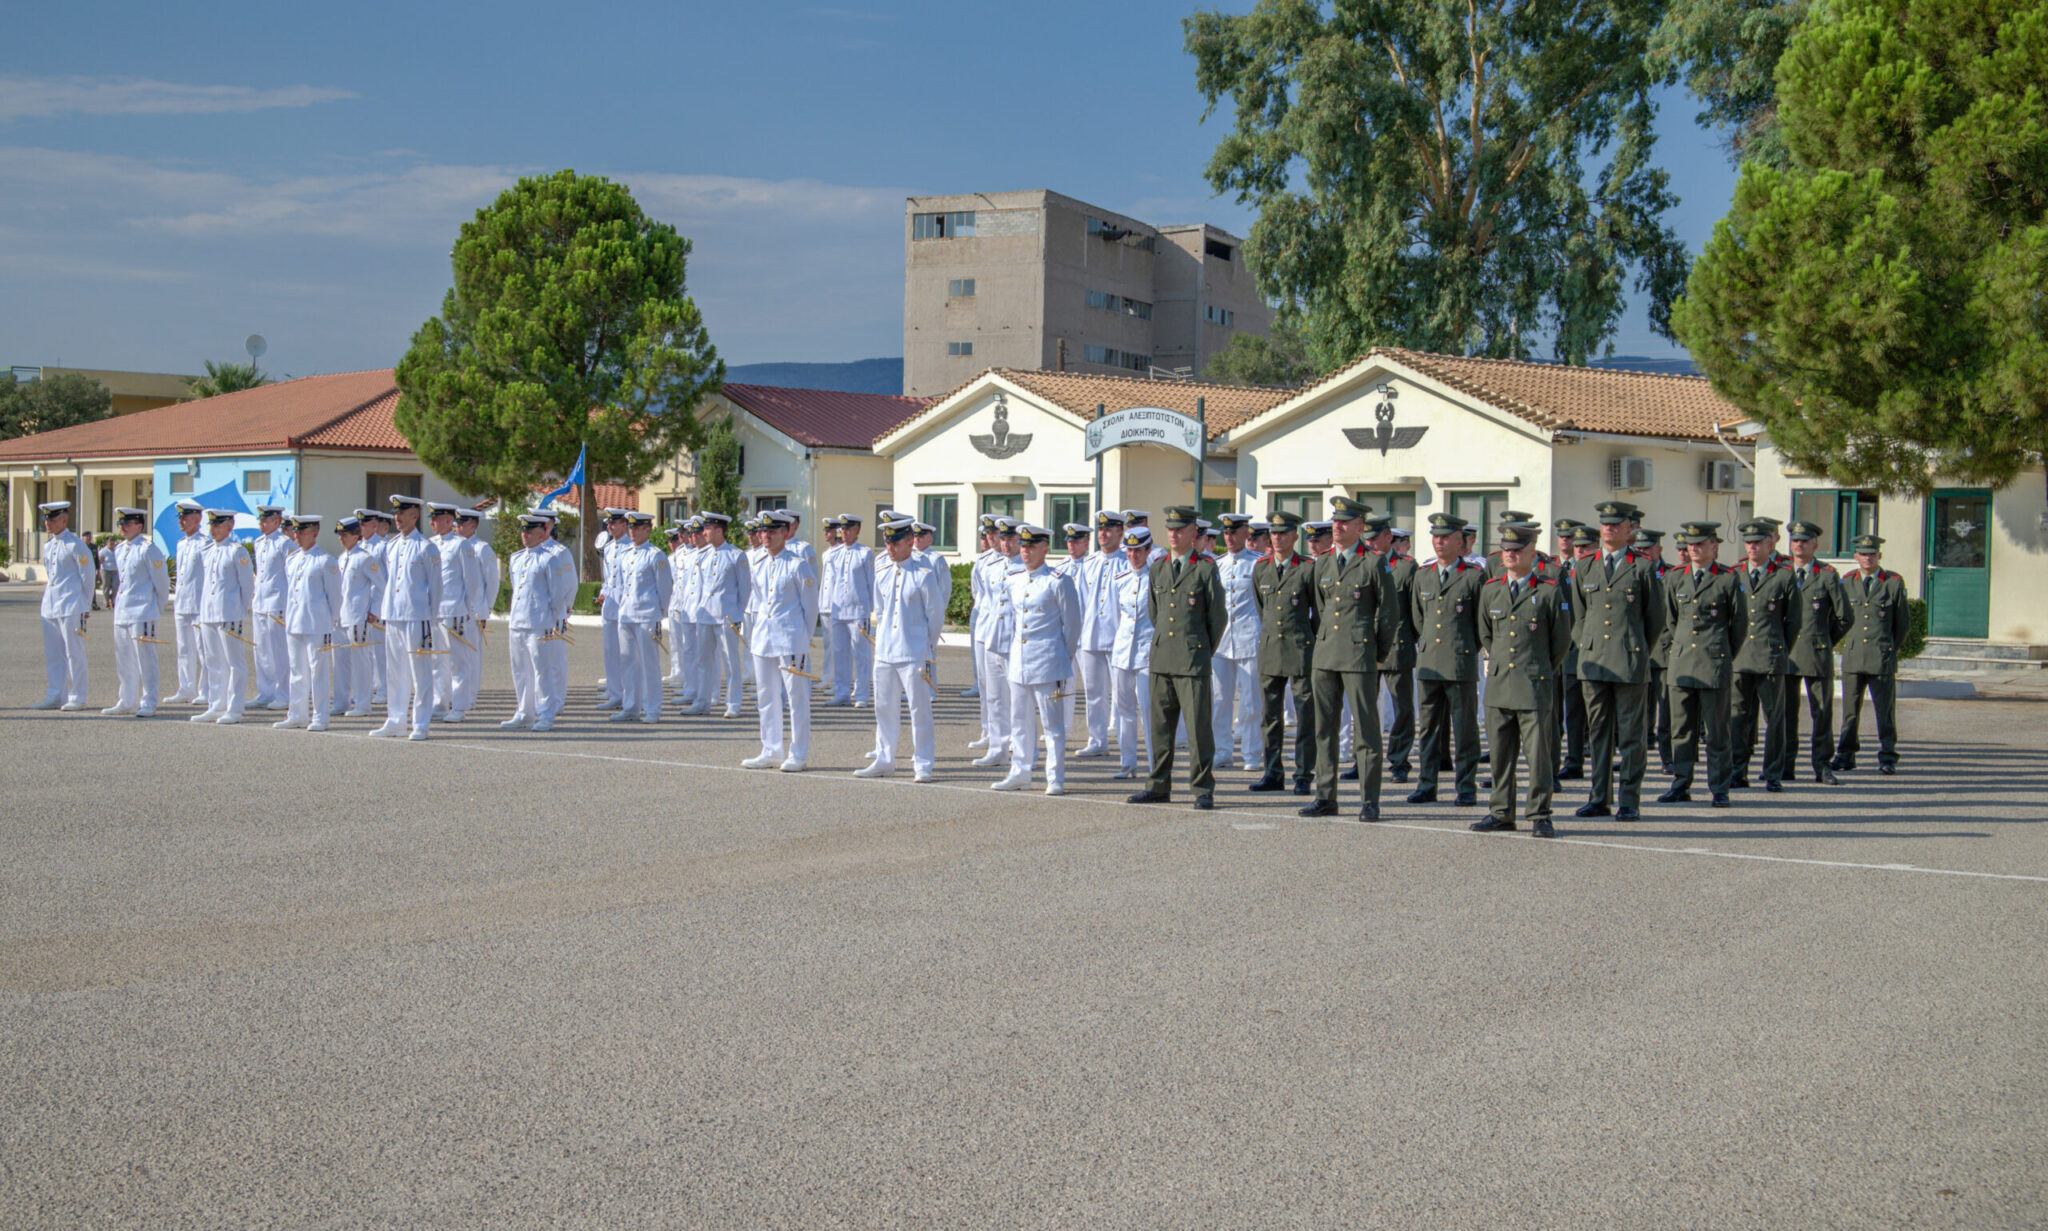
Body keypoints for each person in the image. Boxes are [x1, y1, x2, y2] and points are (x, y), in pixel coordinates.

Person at [1299, 497, 1400, 822]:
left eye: (1344, 522)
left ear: (1359, 527)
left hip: (1359, 655)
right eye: (1335, 522)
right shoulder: (1323, 563)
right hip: (1326, 654)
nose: (1337, 527)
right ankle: (1325, 795)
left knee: (1366, 730)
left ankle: (1369, 799)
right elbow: (1320, 608)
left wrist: (1374, 652)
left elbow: (1388, 614)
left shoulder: (1374, 562)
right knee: (1324, 729)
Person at [1471, 522, 1574, 837]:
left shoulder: (1548, 590)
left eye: (1517, 550)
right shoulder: (1491, 589)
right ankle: (1501, 811)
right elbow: (1485, 633)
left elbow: (1561, 642)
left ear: (1532, 552)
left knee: (1538, 755)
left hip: (1533, 683)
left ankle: (1540, 813)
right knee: (1501, 754)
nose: (1510, 555)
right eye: (1506, 550)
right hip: (1500, 684)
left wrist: (1538, 668)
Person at [1126, 507, 1228, 810]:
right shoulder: (1158, 568)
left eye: (1180, 530)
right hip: (1161, 659)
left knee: (1198, 729)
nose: (1173, 534)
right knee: (1159, 728)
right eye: (1170, 529)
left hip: (1192, 659)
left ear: (1193, 533)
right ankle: (1158, 785)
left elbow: (1217, 619)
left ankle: (1202, 788)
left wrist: (1199, 650)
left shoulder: (1206, 569)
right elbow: (1156, 613)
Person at [1570, 501, 1665, 821]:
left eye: (1615, 524)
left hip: (1628, 663)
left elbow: (1654, 619)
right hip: (1594, 662)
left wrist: (1635, 648)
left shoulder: (1643, 567)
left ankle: (1629, 799)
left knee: (1631, 736)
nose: (1608, 528)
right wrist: (1587, 645)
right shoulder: (1584, 566)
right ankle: (1599, 797)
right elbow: (1578, 617)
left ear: (1630, 529)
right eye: (1605, 524)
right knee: (1597, 732)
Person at [991, 524, 1083, 795]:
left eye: (1032, 546)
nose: (1026, 551)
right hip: (1019, 663)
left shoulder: (1058, 580)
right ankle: (1020, 772)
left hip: (1049, 663)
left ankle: (1055, 777)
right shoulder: (1015, 578)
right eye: (1023, 546)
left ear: (1045, 549)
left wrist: (1060, 658)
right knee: (1019, 721)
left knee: (1052, 725)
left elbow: (1073, 626)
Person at [1659, 522, 1746, 807]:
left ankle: (1719, 787)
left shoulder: (1728, 579)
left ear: (1714, 546)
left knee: (1717, 731)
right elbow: (1670, 620)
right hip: (1682, 664)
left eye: (1700, 544)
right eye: (1690, 545)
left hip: (1713, 663)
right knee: (1681, 731)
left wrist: (1721, 653)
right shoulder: (1675, 577)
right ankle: (1681, 783)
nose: (1694, 549)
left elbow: (1739, 625)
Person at [1409, 512, 1488, 806]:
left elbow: (1481, 623)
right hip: (1429, 662)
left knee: (1464, 727)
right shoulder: (1423, 574)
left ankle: (1466, 786)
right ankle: (1426, 783)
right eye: (1436, 537)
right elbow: (1419, 619)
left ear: (1461, 541)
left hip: (1460, 662)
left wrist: (1467, 647)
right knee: (1429, 728)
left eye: (1446, 537)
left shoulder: (1473, 576)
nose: (1439, 542)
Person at [856, 518, 943, 781]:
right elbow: (880, 613)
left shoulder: (923, 575)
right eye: (887, 542)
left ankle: (923, 762)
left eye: (895, 542)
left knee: (919, 709)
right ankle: (884, 759)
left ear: (909, 542)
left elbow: (935, 617)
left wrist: (925, 648)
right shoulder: (881, 572)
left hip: (914, 652)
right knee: (883, 708)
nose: (890, 548)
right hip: (885, 651)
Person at [743, 511, 820, 771]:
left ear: (785, 534)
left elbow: (810, 609)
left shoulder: (798, 565)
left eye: (772, 532)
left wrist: (802, 639)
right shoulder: (759, 563)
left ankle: (797, 752)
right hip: (763, 637)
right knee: (766, 696)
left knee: (796, 699)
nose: (765, 536)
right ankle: (771, 749)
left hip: (791, 639)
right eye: (762, 532)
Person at [1251, 511, 1317, 795]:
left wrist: (1306, 637)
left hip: (1300, 648)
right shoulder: (1261, 568)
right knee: (1271, 717)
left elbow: (1319, 611)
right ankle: (1272, 772)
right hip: (1271, 650)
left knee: (1305, 715)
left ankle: (1303, 774)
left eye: (1283, 533)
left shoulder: (1307, 568)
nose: (1277, 538)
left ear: (1294, 536)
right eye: (1273, 534)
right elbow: (1261, 608)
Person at [1730, 518, 1799, 791]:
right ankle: (1738, 770)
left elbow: (1793, 622)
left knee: (1774, 719)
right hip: (1740, 657)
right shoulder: (1734, 573)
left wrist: (1780, 649)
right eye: (1748, 542)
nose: (1752, 547)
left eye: (1757, 542)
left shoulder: (1783, 575)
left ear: (1768, 544)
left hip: (1770, 656)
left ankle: (1772, 772)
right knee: (1738, 717)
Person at [1833, 534, 1909, 776]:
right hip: (1854, 657)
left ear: (1879, 556)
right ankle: (1846, 755)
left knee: (1884, 711)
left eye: (1872, 554)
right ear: (1856, 557)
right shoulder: (1847, 582)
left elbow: (1902, 625)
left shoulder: (1893, 582)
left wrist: (1888, 647)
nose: (1867, 558)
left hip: (1881, 657)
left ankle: (1887, 756)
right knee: (1849, 712)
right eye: (1863, 554)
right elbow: (1840, 618)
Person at [1780, 520, 1849, 785]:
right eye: (1795, 540)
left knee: (1821, 712)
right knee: (1786, 713)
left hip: (1817, 653)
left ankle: (1822, 765)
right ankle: (1785, 764)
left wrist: (1824, 640)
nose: (1799, 545)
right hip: (1786, 654)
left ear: (1815, 544)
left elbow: (1845, 616)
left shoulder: (1827, 574)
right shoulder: (1782, 572)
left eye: (1805, 541)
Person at [370, 494, 443, 741]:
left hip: (417, 616)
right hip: (394, 615)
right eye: (395, 514)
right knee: (395, 672)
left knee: (419, 673)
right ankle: (395, 720)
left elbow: (436, 587)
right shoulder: (391, 546)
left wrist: (430, 621)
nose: (397, 518)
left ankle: (420, 723)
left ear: (415, 515)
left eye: (402, 514)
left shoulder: (426, 546)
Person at [501, 510, 577, 731]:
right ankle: (524, 712)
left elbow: (558, 593)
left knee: (541, 670)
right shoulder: (516, 558)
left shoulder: (549, 558)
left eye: (530, 530)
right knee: (520, 670)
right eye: (523, 530)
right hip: (518, 621)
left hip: (540, 621)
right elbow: (517, 589)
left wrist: (552, 619)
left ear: (542, 533)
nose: (525, 535)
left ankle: (545, 713)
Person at [273, 516, 341, 731]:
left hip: (317, 623)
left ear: (314, 532)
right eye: (295, 531)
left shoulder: (325, 560)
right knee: (297, 671)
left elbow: (335, 597)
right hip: (294, 621)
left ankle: (320, 716)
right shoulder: (292, 559)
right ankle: (296, 714)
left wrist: (331, 622)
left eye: (302, 531)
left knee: (317, 671)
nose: (297, 535)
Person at [1364, 515, 1418, 783]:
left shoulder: (1406, 568)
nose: (1371, 543)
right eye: (1368, 539)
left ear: (1389, 537)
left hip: (1398, 645)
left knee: (1402, 709)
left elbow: (1417, 611)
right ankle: (1365, 759)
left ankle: (1399, 761)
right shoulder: (1360, 562)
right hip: (1366, 647)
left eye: (1376, 538)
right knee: (1365, 707)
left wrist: (1410, 639)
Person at [190, 508, 256, 724]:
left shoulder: (237, 551)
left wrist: (240, 610)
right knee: (213, 661)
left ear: (229, 527)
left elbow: (247, 585)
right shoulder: (207, 551)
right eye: (211, 525)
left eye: (217, 525)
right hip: (208, 613)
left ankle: (234, 707)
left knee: (234, 662)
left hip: (229, 613)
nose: (213, 530)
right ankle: (216, 705)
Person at [607, 511, 672, 724]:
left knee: (649, 663)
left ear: (648, 529)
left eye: (638, 528)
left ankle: (652, 708)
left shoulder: (656, 555)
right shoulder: (625, 554)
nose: (633, 532)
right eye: (631, 528)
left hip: (647, 614)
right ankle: (631, 706)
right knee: (627, 662)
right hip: (626, 614)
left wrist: (660, 614)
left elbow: (665, 589)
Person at [104, 506, 170, 717]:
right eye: (121, 524)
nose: (123, 527)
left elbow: (161, 583)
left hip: (143, 611)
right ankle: (127, 700)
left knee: (146, 661)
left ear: (139, 526)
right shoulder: (120, 549)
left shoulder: (148, 549)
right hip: (123, 610)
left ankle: (148, 701)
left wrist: (155, 609)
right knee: (123, 658)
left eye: (128, 523)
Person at [1211, 511, 1263, 772]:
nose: (1229, 537)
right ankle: (1222, 750)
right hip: (1221, 642)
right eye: (1226, 532)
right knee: (1220, 700)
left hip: (1249, 638)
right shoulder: (1217, 564)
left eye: (1234, 532)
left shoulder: (1258, 563)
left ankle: (1252, 752)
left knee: (1251, 700)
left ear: (1246, 533)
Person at [971, 519, 1025, 769]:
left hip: (1016, 641)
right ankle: (997, 747)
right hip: (992, 637)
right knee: (994, 698)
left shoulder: (1027, 567)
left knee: (1019, 699)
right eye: (1003, 538)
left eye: (1011, 538)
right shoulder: (989, 566)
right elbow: (983, 600)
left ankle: (1023, 749)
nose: (1005, 543)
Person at [31, 501, 94, 710]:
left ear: (64, 520)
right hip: (51, 605)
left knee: (73, 653)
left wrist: (85, 605)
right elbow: (51, 576)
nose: (47, 523)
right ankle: (55, 694)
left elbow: (88, 577)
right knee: (53, 654)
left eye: (52, 519)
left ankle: (77, 695)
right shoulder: (49, 545)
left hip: (71, 604)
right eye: (46, 519)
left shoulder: (76, 544)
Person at [427, 503, 486, 723]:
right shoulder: (430, 544)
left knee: (458, 662)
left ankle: (459, 706)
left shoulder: (461, 546)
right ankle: (440, 702)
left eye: (436, 519)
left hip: (455, 610)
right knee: (436, 660)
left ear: (448, 520)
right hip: (435, 612)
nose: (431, 523)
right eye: (431, 519)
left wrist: (468, 608)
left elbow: (472, 581)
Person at [688, 513, 750, 718]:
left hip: (727, 616)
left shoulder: (736, 555)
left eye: (707, 529)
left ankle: (733, 702)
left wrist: (737, 616)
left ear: (719, 530)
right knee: (703, 661)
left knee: (730, 661)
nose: (703, 533)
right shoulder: (703, 555)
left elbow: (745, 590)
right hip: (706, 615)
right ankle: (702, 701)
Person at [1109, 527, 1157, 781]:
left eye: (1138, 550)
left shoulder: (1157, 579)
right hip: (1122, 651)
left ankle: (1154, 764)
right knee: (1123, 709)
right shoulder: (1120, 579)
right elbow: (1117, 618)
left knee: (1149, 710)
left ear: (1148, 550)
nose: (1133, 555)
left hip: (1147, 652)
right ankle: (1127, 761)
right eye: (1129, 550)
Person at [1551, 520, 1593, 780]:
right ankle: (1572, 760)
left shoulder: (1598, 571)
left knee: (1593, 712)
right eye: (1576, 545)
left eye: (1584, 545)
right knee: (1568, 711)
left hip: (1593, 650)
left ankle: (1595, 759)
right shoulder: (1557, 570)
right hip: (1568, 651)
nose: (1579, 549)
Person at [1634, 527, 1676, 774]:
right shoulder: (1632, 573)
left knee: (1667, 711)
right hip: (1639, 650)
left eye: (1648, 548)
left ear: (1659, 549)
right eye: (1639, 548)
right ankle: (1635, 758)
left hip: (1665, 650)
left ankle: (1667, 758)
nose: (1643, 552)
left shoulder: (1671, 575)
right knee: (1638, 713)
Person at [332, 517, 382, 718]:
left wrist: (374, 610)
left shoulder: (365, 558)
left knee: (361, 662)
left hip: (357, 616)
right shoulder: (341, 558)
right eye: (340, 536)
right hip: (340, 617)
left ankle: (363, 703)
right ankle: (341, 702)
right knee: (339, 662)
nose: (342, 540)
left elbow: (380, 586)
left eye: (345, 535)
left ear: (356, 536)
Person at [824, 514, 875, 708]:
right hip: (838, 609)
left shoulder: (865, 553)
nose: (843, 533)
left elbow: (871, 583)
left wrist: (869, 610)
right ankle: (842, 693)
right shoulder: (834, 554)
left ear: (857, 530)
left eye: (848, 529)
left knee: (861, 654)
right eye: (842, 530)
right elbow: (834, 582)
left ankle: (861, 694)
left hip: (858, 610)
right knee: (840, 653)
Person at [165, 499, 210, 706]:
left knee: (204, 649)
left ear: (198, 519)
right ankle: (186, 688)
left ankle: (206, 690)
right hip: (182, 603)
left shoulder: (205, 544)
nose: (181, 521)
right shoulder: (181, 544)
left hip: (199, 604)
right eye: (180, 518)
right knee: (184, 649)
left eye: (186, 517)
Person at [248, 505, 292, 710]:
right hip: (260, 602)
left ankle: (284, 693)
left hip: (277, 602)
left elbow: (291, 576)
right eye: (260, 520)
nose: (261, 524)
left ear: (276, 522)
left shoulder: (285, 544)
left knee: (279, 651)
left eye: (265, 520)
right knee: (262, 650)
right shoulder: (259, 543)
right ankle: (265, 692)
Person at [455, 509, 498, 719]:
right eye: (456, 523)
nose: (457, 527)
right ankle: (457, 695)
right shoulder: (455, 546)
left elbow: (491, 581)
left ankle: (470, 696)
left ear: (473, 525)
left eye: (461, 524)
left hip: (474, 611)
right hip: (456, 610)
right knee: (455, 656)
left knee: (471, 655)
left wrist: (486, 608)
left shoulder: (482, 549)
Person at [595, 508, 632, 711]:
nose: (610, 526)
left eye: (614, 523)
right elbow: (608, 579)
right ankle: (615, 692)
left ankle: (629, 692)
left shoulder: (630, 547)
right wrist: (603, 592)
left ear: (624, 525)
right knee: (610, 652)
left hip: (625, 607)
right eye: (608, 523)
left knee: (626, 653)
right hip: (610, 606)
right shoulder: (608, 549)